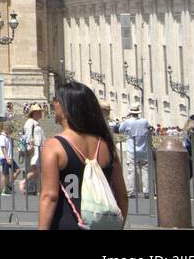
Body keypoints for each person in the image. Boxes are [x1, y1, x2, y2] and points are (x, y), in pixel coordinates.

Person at [37, 81, 128, 230]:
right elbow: (122, 196)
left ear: (66, 107)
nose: (53, 104)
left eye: (56, 100)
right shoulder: (106, 145)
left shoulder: (54, 146)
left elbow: (49, 196)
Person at [115, 106, 152, 198]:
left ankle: (132, 192)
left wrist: (127, 120)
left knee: (132, 170)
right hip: (144, 149)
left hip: (132, 149)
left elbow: (120, 130)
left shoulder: (127, 122)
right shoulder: (144, 121)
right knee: (145, 170)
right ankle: (146, 191)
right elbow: (148, 129)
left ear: (130, 112)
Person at [21, 103, 46, 195]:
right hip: (34, 150)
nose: (40, 113)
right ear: (34, 113)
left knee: (38, 169)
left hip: (39, 149)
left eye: (40, 112)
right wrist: (29, 146)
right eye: (38, 112)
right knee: (35, 169)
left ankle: (37, 189)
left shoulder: (36, 123)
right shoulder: (30, 122)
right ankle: (26, 183)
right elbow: (28, 135)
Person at [0, 126, 16, 194]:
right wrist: (7, 158)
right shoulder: (2, 136)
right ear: (7, 129)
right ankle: (4, 190)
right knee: (5, 174)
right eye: (11, 130)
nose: (11, 132)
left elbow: (12, 146)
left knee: (17, 170)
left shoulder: (8, 137)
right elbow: (3, 148)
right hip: (5, 158)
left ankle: (9, 185)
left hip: (10, 157)